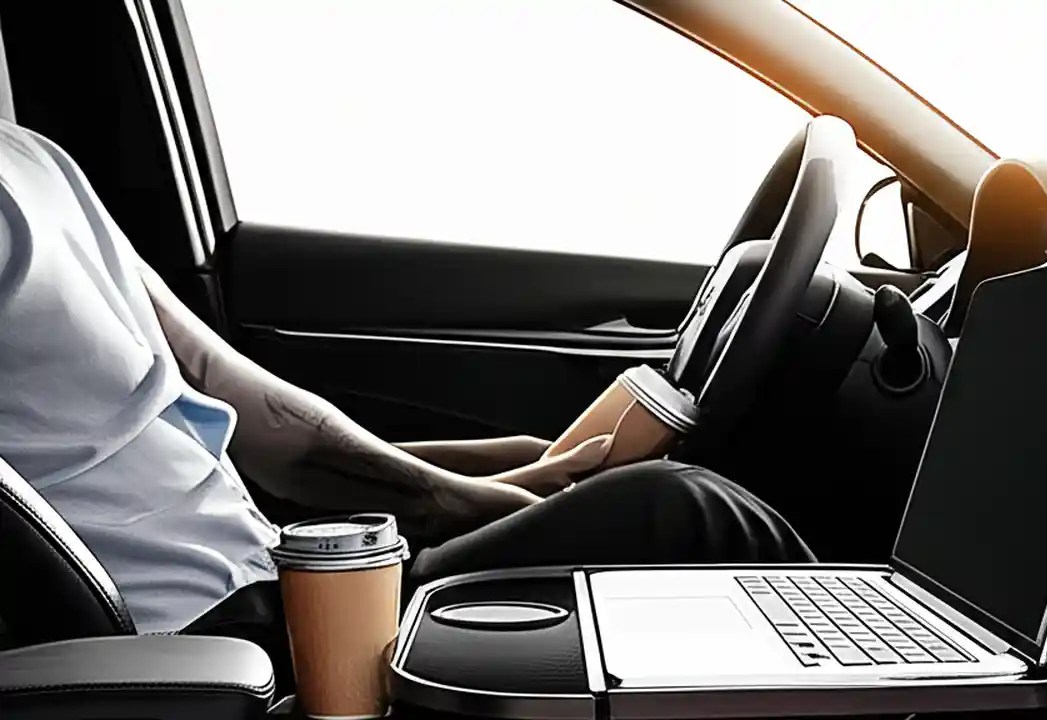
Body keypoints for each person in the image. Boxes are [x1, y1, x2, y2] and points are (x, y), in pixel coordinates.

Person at [0, 120, 813, 664]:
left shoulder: (36, 161)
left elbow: (251, 410)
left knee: (652, 512)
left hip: (284, 581)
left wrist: (484, 481)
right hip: (202, 655)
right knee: (685, 514)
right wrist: (458, 503)